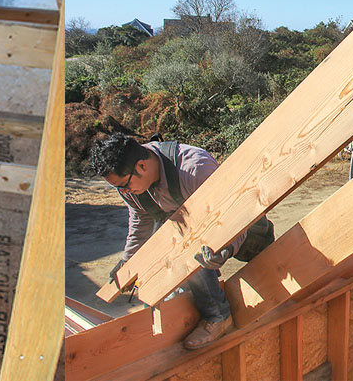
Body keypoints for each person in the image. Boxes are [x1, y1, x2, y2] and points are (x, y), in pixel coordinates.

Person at [88, 133, 274, 350]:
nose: (124, 192)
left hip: (245, 227)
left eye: (124, 185)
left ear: (141, 166)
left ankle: (217, 316)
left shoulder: (195, 168)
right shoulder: (130, 184)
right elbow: (141, 219)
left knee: (270, 274)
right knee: (170, 248)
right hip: (191, 225)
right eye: (118, 188)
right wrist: (128, 262)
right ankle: (206, 314)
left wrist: (227, 246)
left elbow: (236, 210)